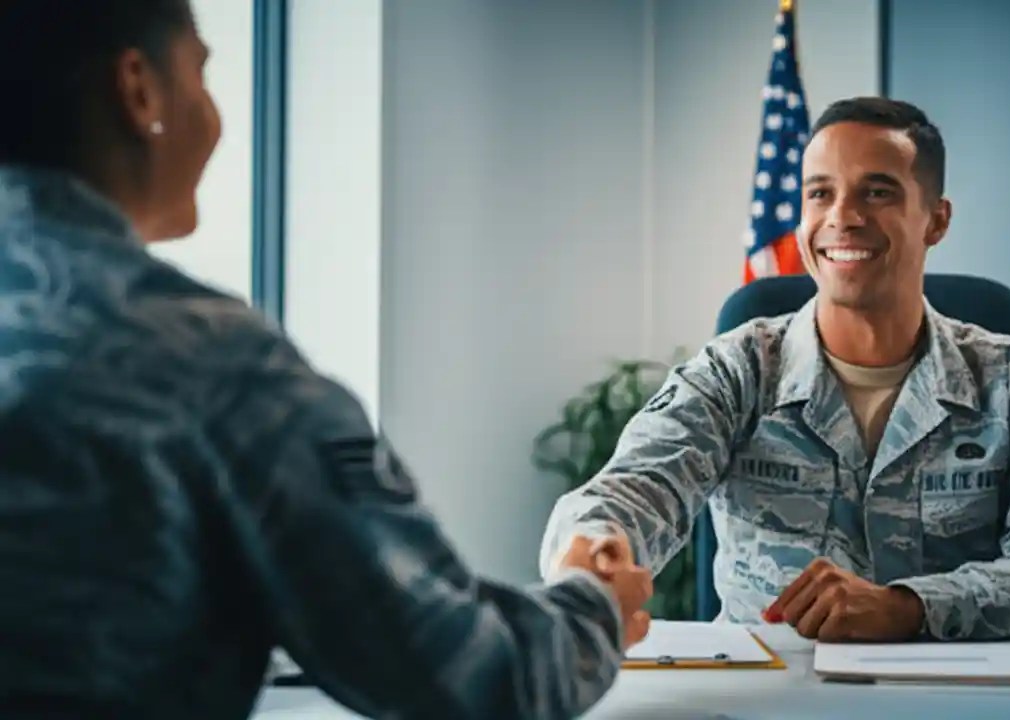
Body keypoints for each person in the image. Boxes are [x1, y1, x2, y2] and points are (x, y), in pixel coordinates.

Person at [0, 1, 651, 718]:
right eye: (201, 73)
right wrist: (596, 605)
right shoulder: (209, 362)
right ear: (140, 89)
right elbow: (473, 678)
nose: (214, 113)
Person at [541, 97, 1010, 643]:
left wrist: (908, 608)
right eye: (820, 194)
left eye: (877, 193)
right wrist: (594, 550)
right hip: (769, 696)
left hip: (954, 698)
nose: (842, 218)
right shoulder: (738, 371)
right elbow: (634, 489)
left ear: (936, 221)